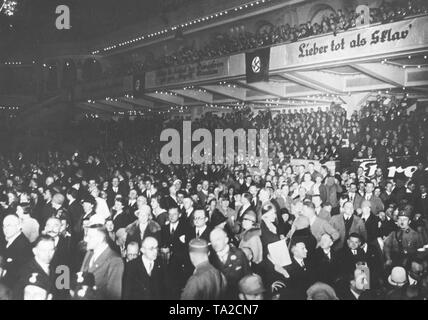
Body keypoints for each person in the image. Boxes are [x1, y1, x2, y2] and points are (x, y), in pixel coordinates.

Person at [80, 224, 124, 300]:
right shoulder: (89, 253)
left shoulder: (115, 260)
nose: (86, 239)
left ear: (100, 239)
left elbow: (114, 295)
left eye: (89, 237)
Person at [210, 227, 250, 300]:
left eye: (218, 239)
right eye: (212, 240)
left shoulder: (239, 254)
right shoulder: (211, 259)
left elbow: (247, 276)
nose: (214, 243)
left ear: (226, 240)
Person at [13, 235, 55, 300]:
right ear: (34, 251)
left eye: (51, 250)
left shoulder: (52, 268)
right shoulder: (25, 271)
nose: (48, 254)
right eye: (43, 250)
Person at [0, 214, 32, 287]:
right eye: (4, 226)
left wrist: (3, 272)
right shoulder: (8, 240)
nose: (5, 229)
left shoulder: (24, 246)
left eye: (9, 225)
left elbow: (18, 275)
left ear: (19, 226)